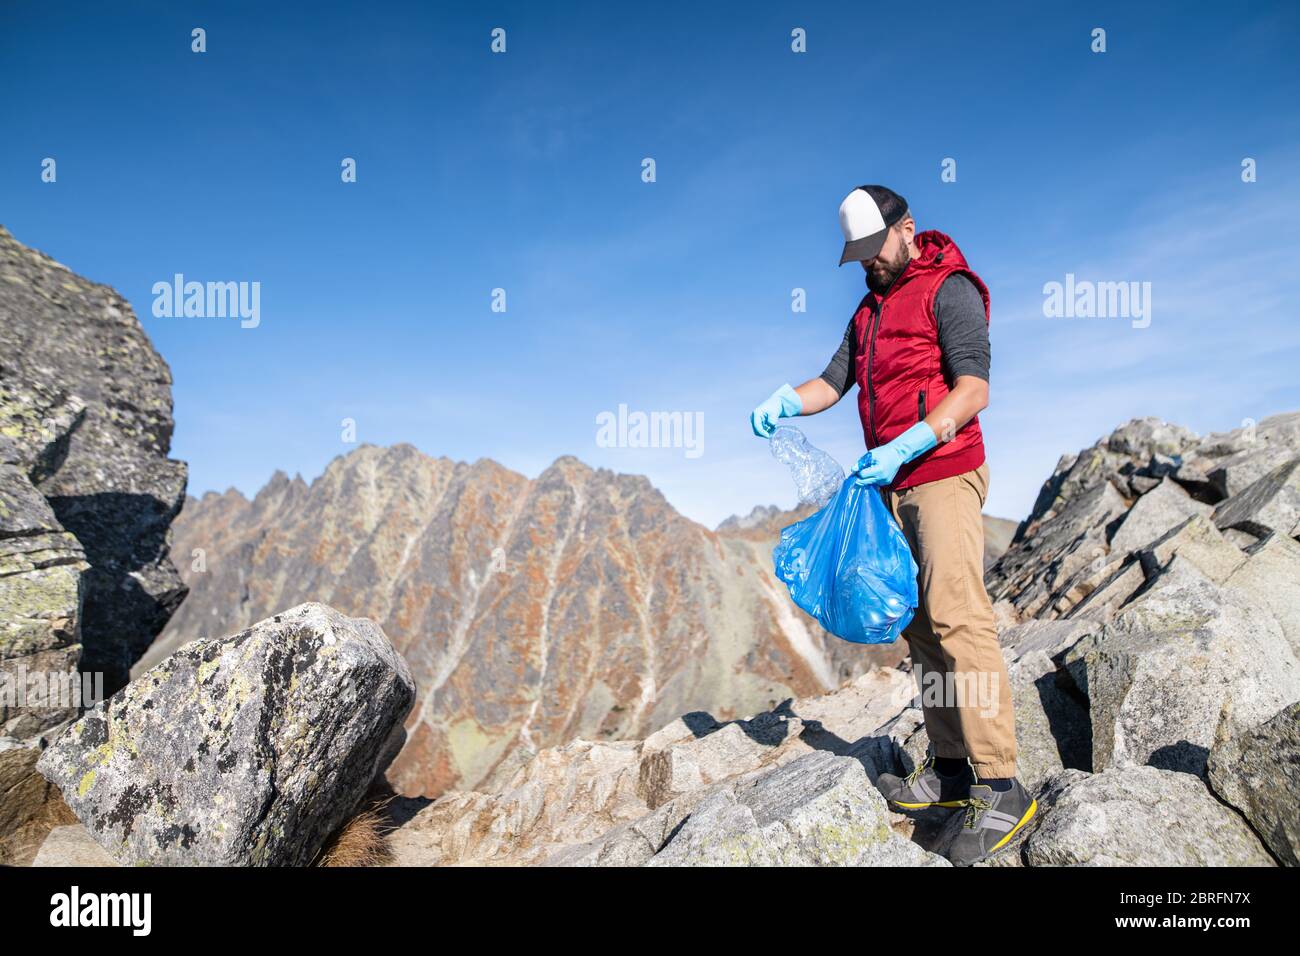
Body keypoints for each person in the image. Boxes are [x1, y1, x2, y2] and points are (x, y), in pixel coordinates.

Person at [749, 185, 1035, 866]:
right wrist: (789, 399)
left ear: (907, 229)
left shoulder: (950, 288)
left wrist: (912, 440)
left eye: (874, 250)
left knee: (959, 616)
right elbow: (832, 382)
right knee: (922, 623)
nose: (867, 265)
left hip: (943, 472)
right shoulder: (868, 312)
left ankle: (1003, 787)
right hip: (892, 486)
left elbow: (974, 389)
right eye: (857, 257)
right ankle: (951, 767)